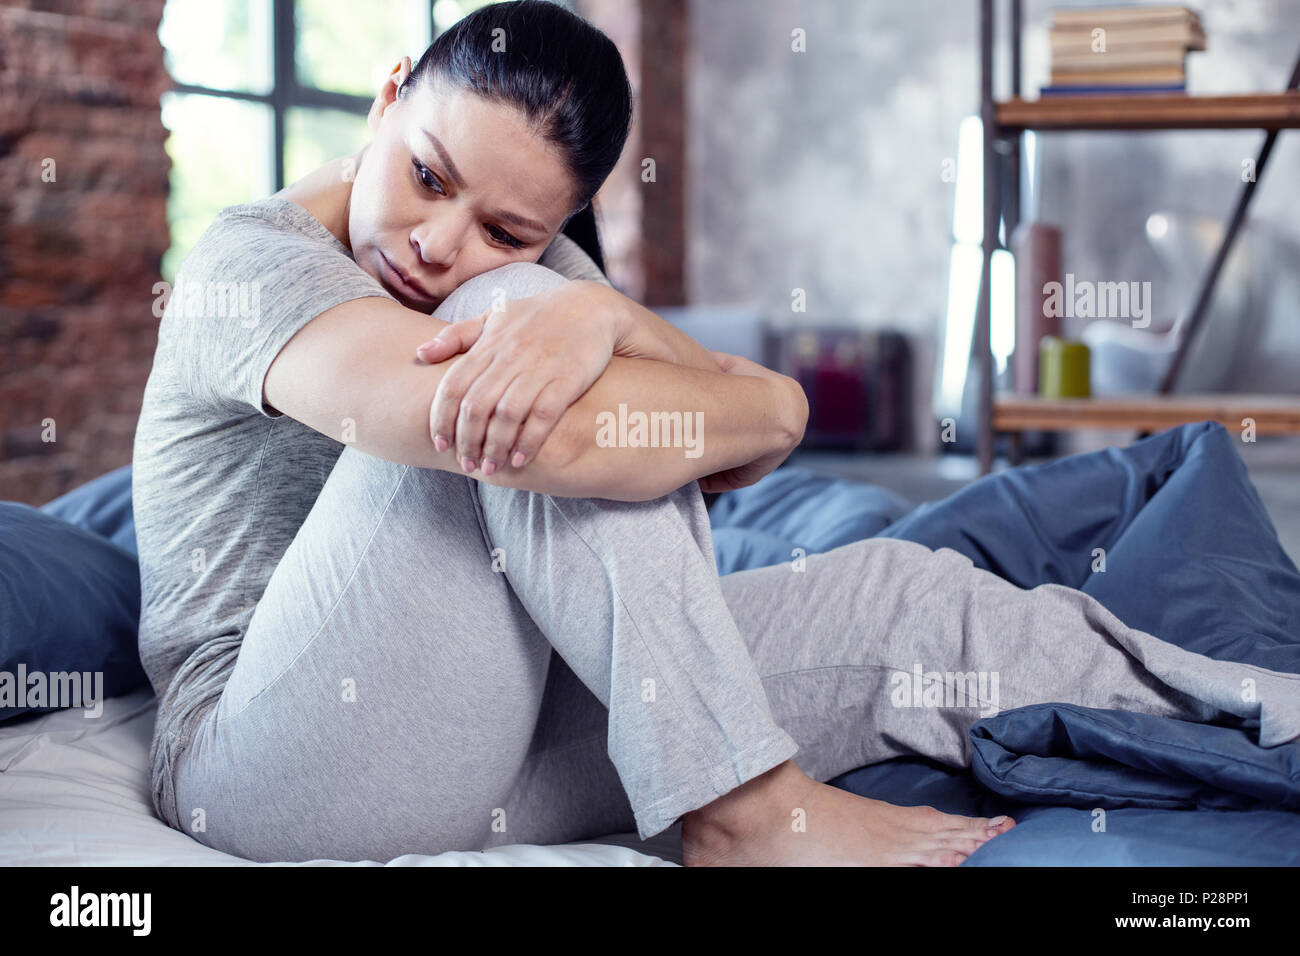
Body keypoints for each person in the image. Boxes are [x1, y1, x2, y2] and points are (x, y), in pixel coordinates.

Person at [133, 0, 1273, 867]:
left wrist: (617, 323)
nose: (438, 242)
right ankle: (739, 806)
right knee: (512, 343)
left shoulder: (541, 276)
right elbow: (545, 437)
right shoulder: (255, 261)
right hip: (264, 762)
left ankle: (1256, 704)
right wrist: (596, 332)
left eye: (504, 227)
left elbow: (757, 425)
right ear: (387, 98)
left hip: (482, 732)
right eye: (426, 175)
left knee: (902, 595)